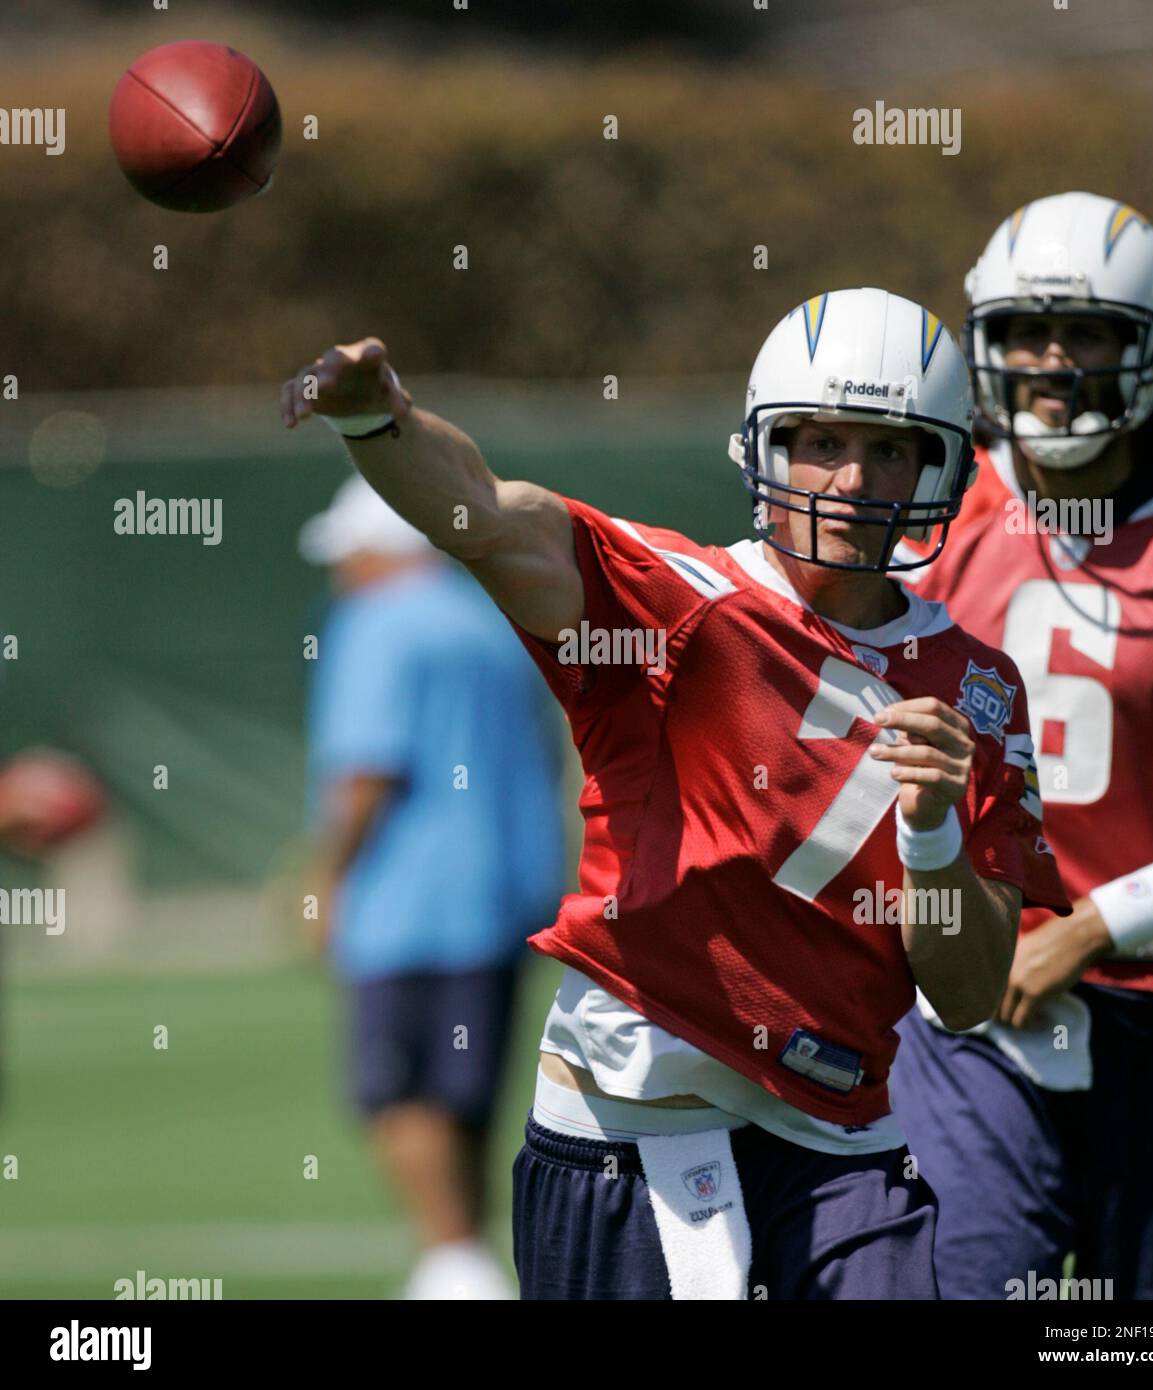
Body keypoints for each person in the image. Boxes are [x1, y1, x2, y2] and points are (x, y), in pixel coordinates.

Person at [282, 286, 1067, 1301]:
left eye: (886, 446)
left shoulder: (979, 690)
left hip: (843, 1143)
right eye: (816, 440)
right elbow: (483, 512)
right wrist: (373, 416)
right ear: (760, 448)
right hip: (630, 1121)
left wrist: (928, 834)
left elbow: (964, 996)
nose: (849, 477)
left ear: (938, 464)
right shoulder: (675, 599)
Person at [888, 190, 1153, 1299]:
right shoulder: (930, 512)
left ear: (1146, 352)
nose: (1051, 359)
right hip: (968, 1007)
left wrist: (1090, 927)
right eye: (1025, 330)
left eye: (1085, 332)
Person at [299, 474, 565, 1300]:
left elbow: (369, 771)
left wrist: (322, 880)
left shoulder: (376, 623)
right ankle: (469, 1257)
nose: (341, 574)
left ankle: (452, 1262)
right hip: (506, 891)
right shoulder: (486, 621)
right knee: (470, 1086)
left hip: (408, 900)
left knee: (399, 1086)